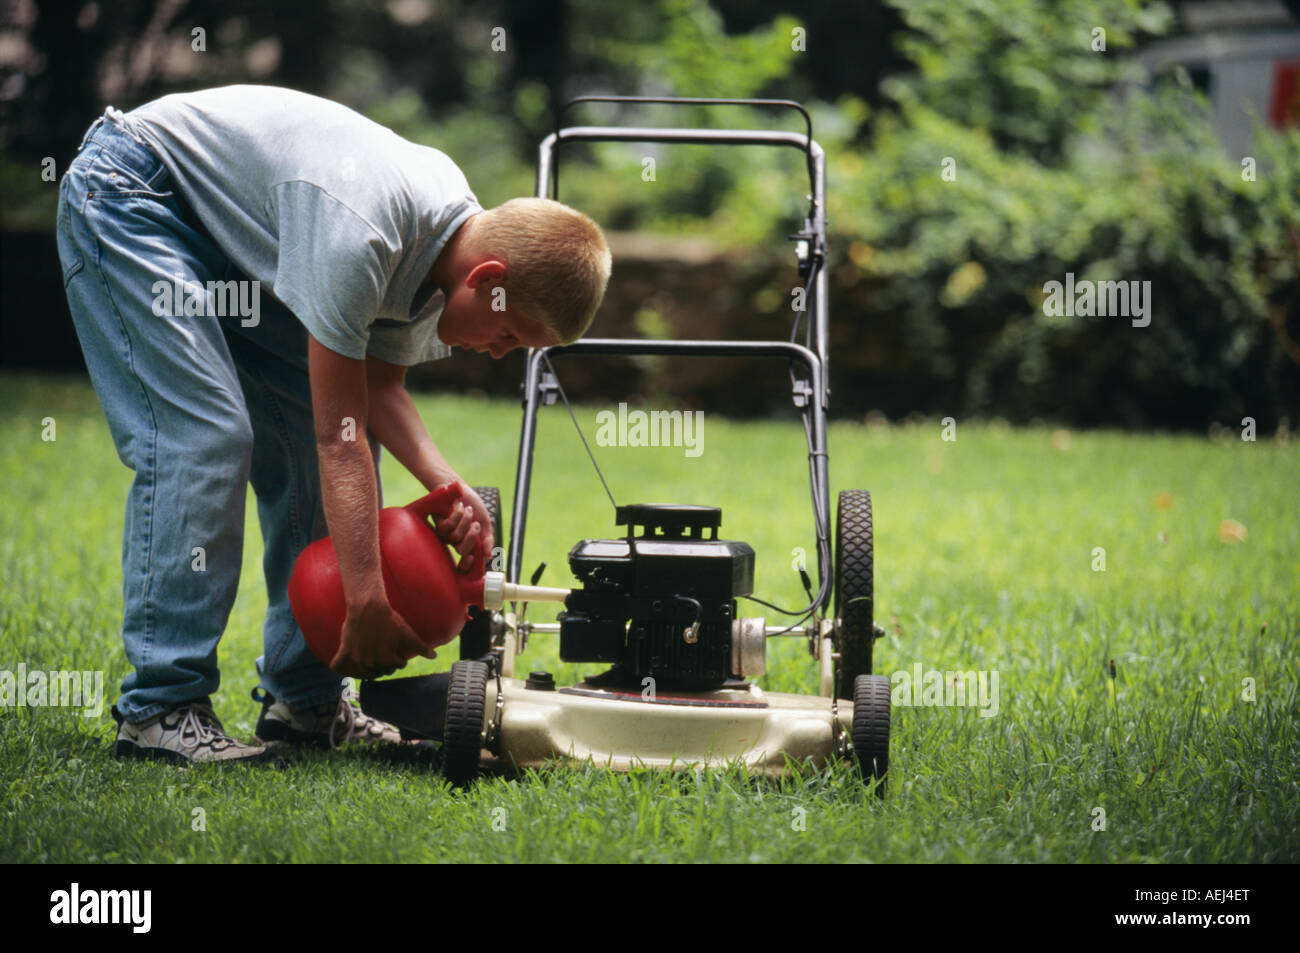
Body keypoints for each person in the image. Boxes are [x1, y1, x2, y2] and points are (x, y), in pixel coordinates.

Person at [55, 85, 612, 765]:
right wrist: (366, 596)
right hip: (136, 194)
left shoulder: (443, 250)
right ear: (488, 278)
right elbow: (338, 437)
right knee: (206, 437)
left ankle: (306, 703)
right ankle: (160, 709)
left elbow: (377, 386)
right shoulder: (365, 235)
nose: (502, 353)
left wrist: (446, 483)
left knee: (299, 438)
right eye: (509, 334)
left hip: (235, 245)